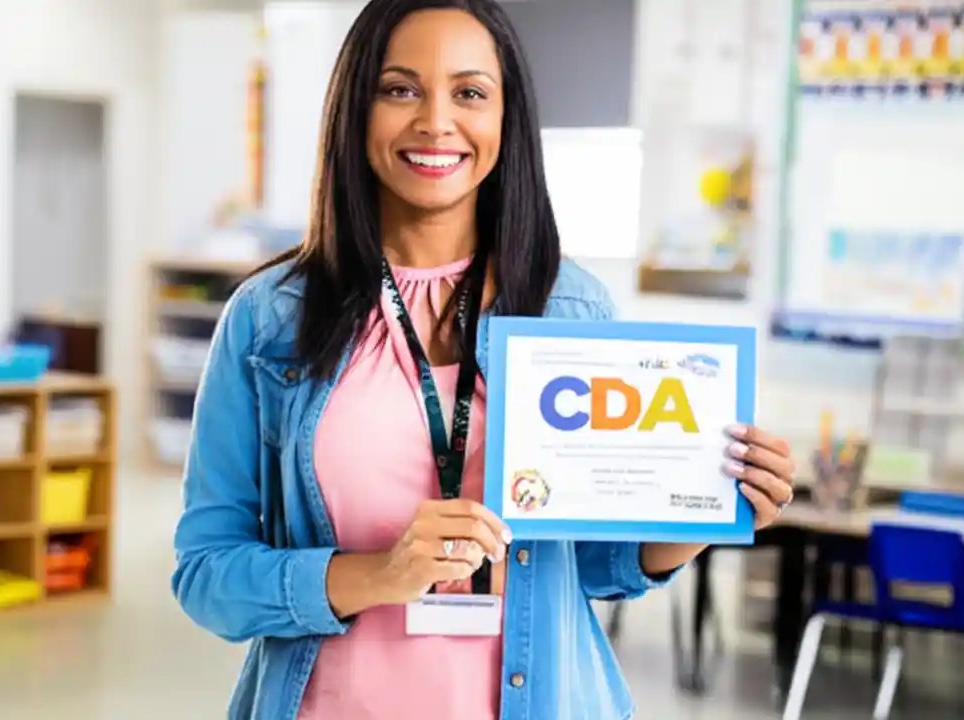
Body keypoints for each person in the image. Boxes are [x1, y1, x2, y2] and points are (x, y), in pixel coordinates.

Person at [171, 1, 797, 718]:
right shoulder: (268, 318)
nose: (436, 121)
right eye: (400, 88)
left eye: (469, 93)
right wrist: (380, 573)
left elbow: (593, 564)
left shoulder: (572, 308)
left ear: (506, 119)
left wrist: (707, 508)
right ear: (355, 109)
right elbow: (207, 576)